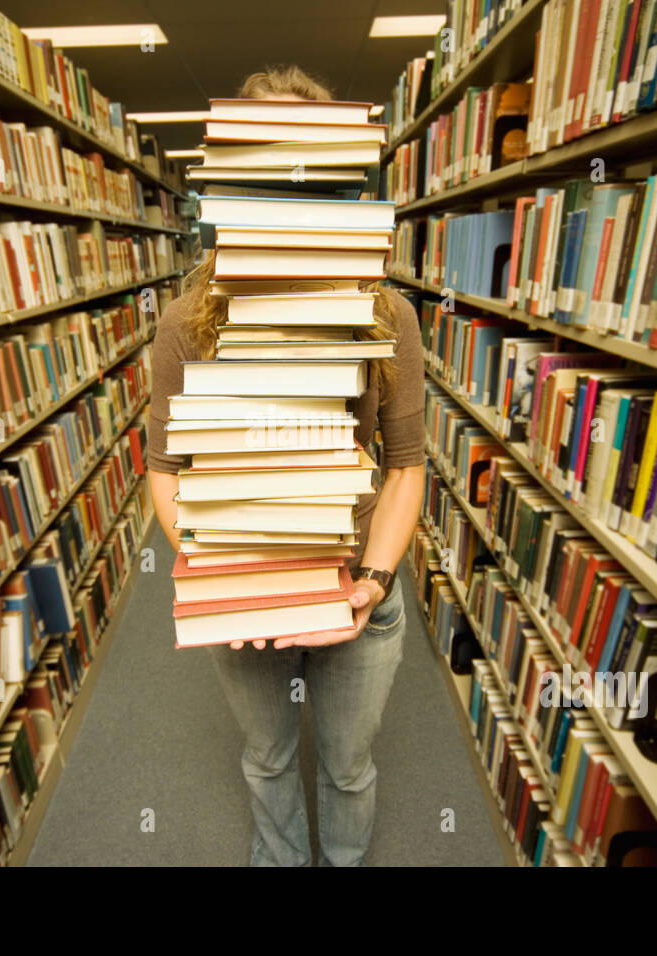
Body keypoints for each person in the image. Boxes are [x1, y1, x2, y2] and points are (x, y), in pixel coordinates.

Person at [144, 65, 426, 867]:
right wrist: (216, 568)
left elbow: (405, 466)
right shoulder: (186, 322)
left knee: (347, 766)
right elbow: (165, 466)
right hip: (240, 583)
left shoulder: (386, 313)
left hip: (356, 580)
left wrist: (370, 580)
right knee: (268, 759)